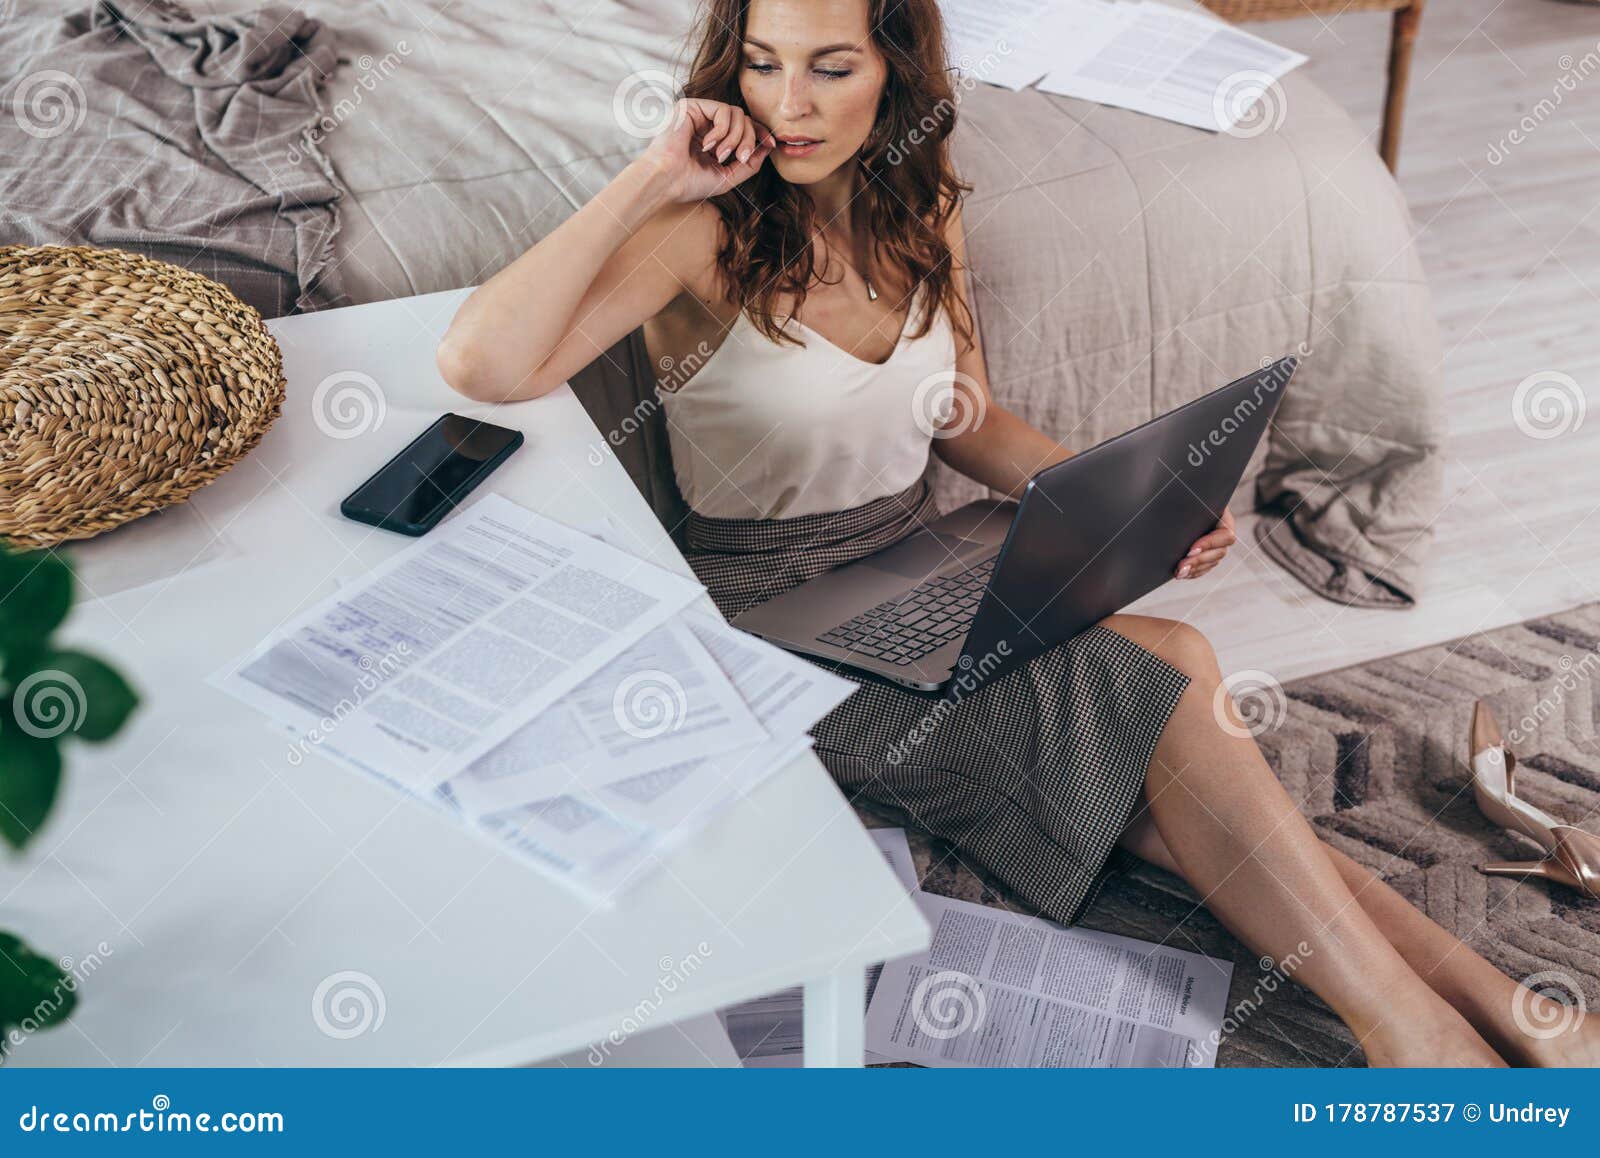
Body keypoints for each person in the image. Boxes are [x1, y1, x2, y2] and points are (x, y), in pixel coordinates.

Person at [437, 0, 1597, 1067]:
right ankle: (1419, 1037)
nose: (787, 105)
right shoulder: (702, 236)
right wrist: (649, 176)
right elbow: (483, 361)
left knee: (1194, 793)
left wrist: (1136, 499)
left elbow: (969, 421)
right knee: (1177, 684)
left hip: (910, 564)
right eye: (762, 64)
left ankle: (1505, 1015)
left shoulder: (920, 207)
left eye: (829, 66)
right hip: (764, 624)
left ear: (891, 71)